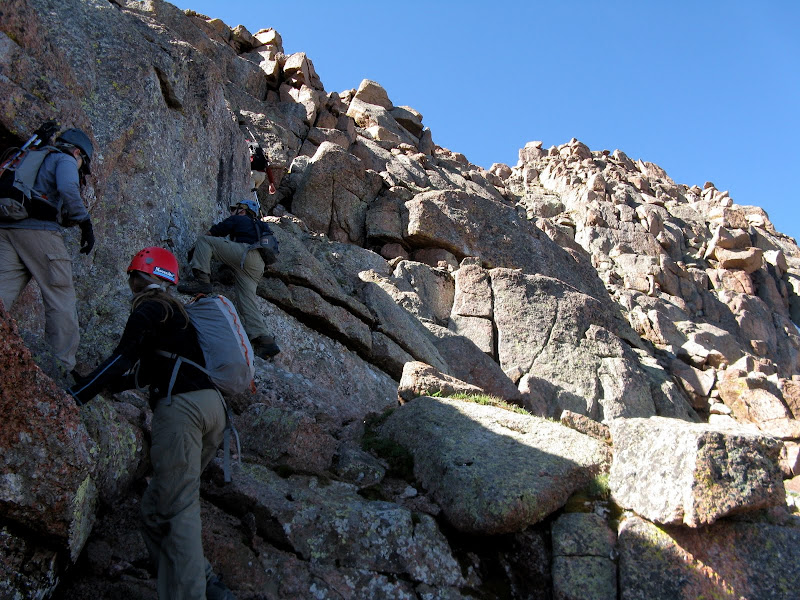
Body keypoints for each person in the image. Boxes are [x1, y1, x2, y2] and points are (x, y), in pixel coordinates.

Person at [67, 247, 236, 600]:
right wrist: (113, 386)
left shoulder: (150, 308)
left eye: (132, 276)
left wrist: (77, 395)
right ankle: (205, 583)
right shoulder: (177, 313)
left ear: (140, 276)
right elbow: (147, 371)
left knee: (177, 507)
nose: (130, 283)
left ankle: (191, 593)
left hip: (182, 412)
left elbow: (122, 358)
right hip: (213, 410)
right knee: (156, 509)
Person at [0, 127, 95, 378]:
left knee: (2, 292)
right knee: (61, 296)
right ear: (78, 153)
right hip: (40, 232)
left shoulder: (33, 155)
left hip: (7, 228)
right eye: (82, 165)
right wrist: (85, 223)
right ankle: (61, 367)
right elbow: (67, 188)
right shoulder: (65, 158)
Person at [177, 198, 280, 359]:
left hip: (245, 254)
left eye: (234, 209)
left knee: (205, 241)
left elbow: (214, 232)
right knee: (247, 301)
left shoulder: (239, 219)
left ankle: (202, 282)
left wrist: (197, 250)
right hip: (258, 265)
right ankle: (265, 340)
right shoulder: (261, 226)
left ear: (242, 210)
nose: (232, 212)